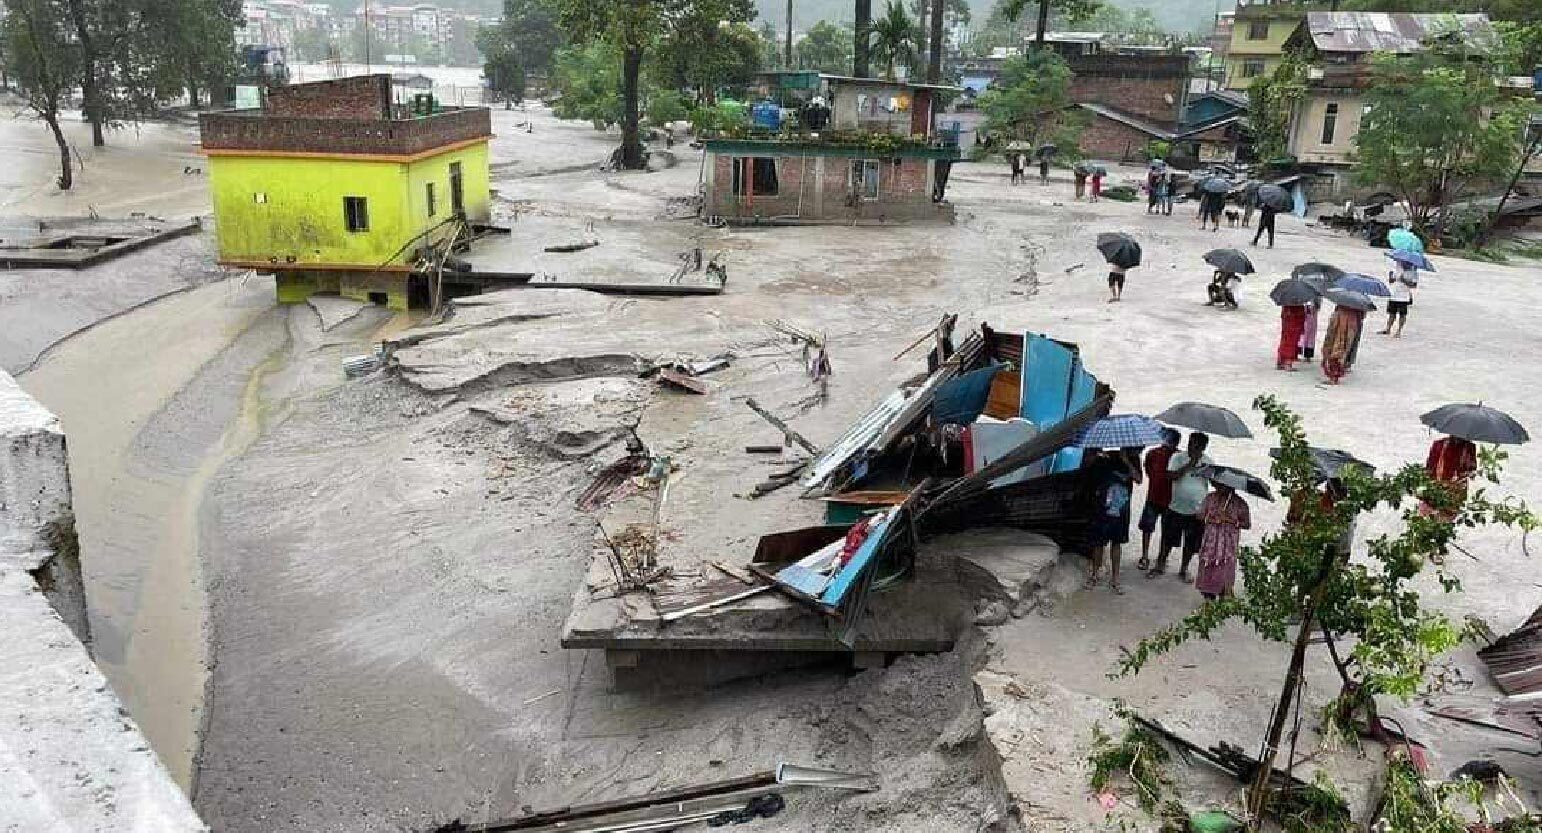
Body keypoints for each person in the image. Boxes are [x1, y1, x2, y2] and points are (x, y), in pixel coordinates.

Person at [1149, 432, 1211, 581]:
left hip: (1195, 511)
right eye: (1191, 443)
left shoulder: (1209, 462)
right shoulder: (1177, 457)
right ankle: (1160, 564)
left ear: (1203, 447)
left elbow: (1210, 482)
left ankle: (1184, 569)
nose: (1192, 447)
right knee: (1167, 539)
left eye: (1197, 445)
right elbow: (1171, 476)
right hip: (1175, 507)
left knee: (1191, 543)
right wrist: (1190, 464)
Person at [1086, 448, 1142, 594]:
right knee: (1098, 543)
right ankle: (1094, 574)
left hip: (1121, 509)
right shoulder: (1104, 458)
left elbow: (1138, 479)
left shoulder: (1133, 458)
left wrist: (1126, 460)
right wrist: (1096, 455)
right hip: (1102, 507)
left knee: (1117, 543)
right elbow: (1089, 472)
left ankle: (1115, 578)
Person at [1195, 481, 1251, 600]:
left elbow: (1247, 524)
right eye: (1219, 486)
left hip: (1228, 546)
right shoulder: (1210, 498)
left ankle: (1223, 595)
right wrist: (1210, 517)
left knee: (1224, 569)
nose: (1220, 489)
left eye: (1224, 487)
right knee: (1208, 567)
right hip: (1211, 543)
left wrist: (1230, 520)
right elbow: (1199, 515)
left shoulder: (1240, 504)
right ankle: (1208, 599)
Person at [1135, 428, 1181, 572]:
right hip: (1161, 498)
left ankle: (1150, 557)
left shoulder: (1158, 454)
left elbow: (1149, 471)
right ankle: (1151, 557)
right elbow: (1149, 470)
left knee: (1153, 529)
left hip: (1160, 497)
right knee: (1150, 529)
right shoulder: (1175, 456)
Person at [1320, 303, 1366, 384]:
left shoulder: (1341, 308)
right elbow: (1362, 317)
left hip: (1340, 327)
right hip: (1351, 326)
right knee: (1343, 350)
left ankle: (1333, 377)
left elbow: (1332, 328)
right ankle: (1336, 374)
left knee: (1335, 350)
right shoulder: (1359, 304)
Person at [1380, 266, 1416, 337]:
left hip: (1404, 297)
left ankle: (1399, 331)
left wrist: (1405, 280)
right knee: (1391, 313)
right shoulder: (1395, 268)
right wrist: (1390, 277)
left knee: (1402, 315)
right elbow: (1391, 281)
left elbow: (1414, 285)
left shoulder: (1412, 272)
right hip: (1393, 295)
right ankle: (1388, 329)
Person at [1277, 303, 1308, 371]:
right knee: (1292, 339)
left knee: (1285, 337)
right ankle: (1288, 362)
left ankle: (1281, 361)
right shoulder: (1297, 300)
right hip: (1294, 316)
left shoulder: (1286, 299)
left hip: (1288, 315)